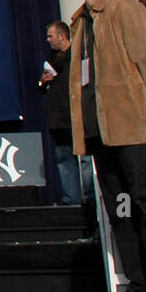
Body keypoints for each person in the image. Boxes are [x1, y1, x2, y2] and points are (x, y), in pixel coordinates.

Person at [67, 0, 146, 292]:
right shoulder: (81, 19)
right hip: (101, 130)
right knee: (121, 210)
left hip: (134, 125)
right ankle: (139, 283)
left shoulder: (125, 8)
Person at [39, 22, 89, 206]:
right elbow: (43, 87)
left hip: (77, 116)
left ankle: (90, 197)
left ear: (62, 36)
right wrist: (42, 82)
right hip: (58, 119)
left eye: (50, 36)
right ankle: (72, 198)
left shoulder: (78, 56)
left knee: (85, 158)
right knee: (64, 158)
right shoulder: (51, 59)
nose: (48, 40)